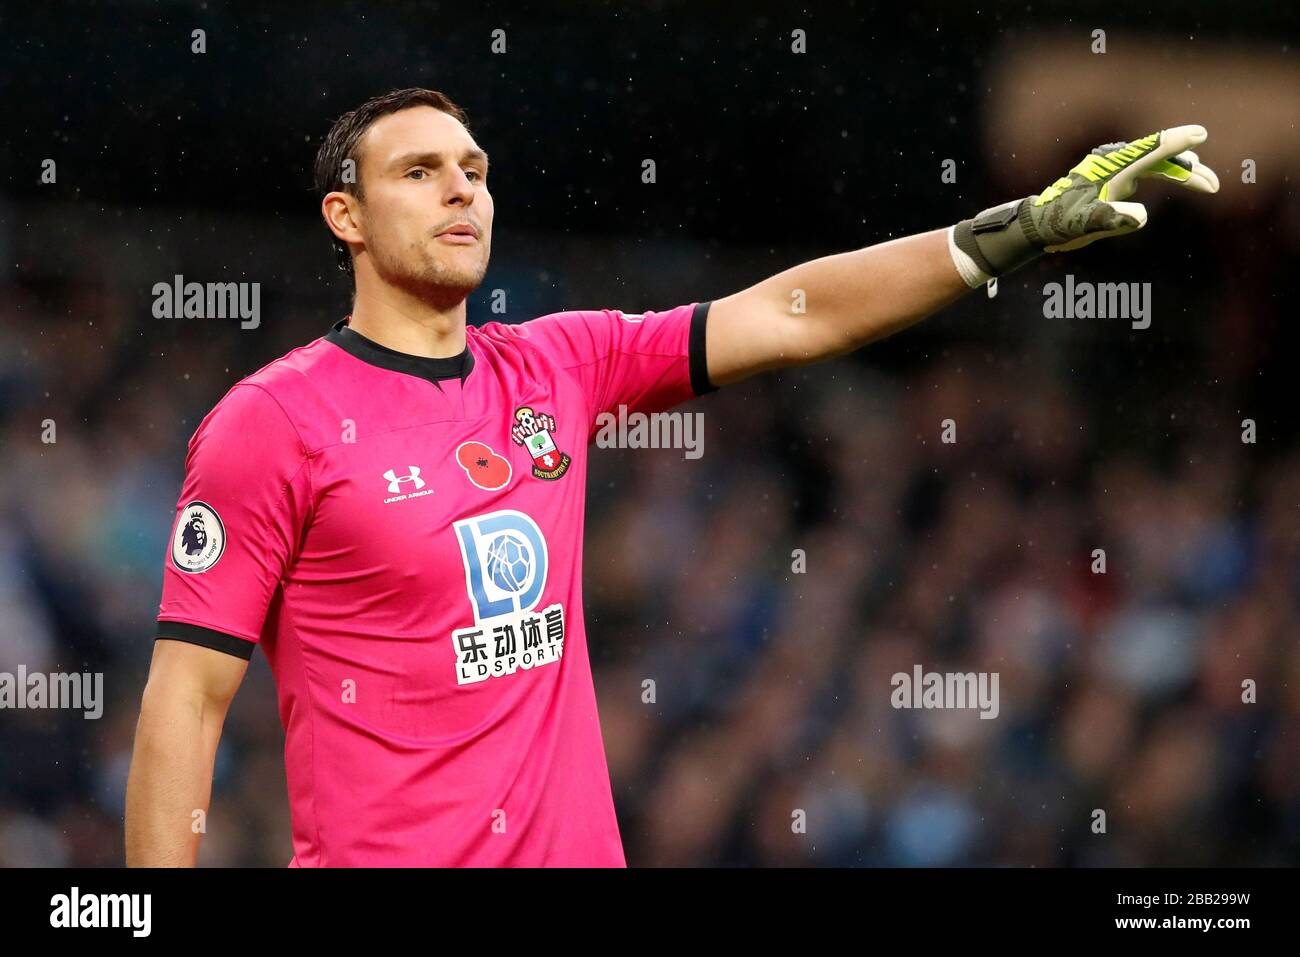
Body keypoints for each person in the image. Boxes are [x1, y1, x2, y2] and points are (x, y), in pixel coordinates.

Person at [124, 87, 1218, 866]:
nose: (462, 190)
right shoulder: (273, 423)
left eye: (475, 170)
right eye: (420, 172)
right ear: (346, 218)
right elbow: (188, 699)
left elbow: (794, 314)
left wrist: (1007, 235)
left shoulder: (555, 363)